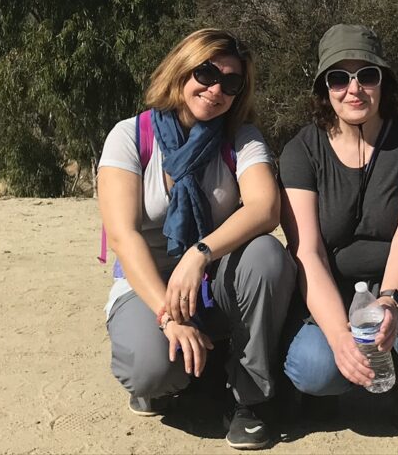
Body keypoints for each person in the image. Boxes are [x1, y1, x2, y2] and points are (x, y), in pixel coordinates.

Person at [97, 29, 296, 450]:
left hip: (213, 277)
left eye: (231, 82)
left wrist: (199, 254)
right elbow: (123, 234)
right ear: (181, 69)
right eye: (206, 73)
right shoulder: (131, 136)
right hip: (148, 282)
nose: (215, 89)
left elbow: (264, 208)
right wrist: (167, 316)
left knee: (266, 254)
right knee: (153, 372)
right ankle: (174, 374)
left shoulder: (241, 139)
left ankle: (250, 398)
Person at [279, 24, 398, 434]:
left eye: (367, 75)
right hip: (335, 284)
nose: (354, 89)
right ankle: (340, 379)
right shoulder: (301, 150)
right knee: (315, 368)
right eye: (339, 78)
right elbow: (306, 251)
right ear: (324, 87)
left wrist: (389, 300)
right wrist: (337, 336)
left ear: (383, 83)